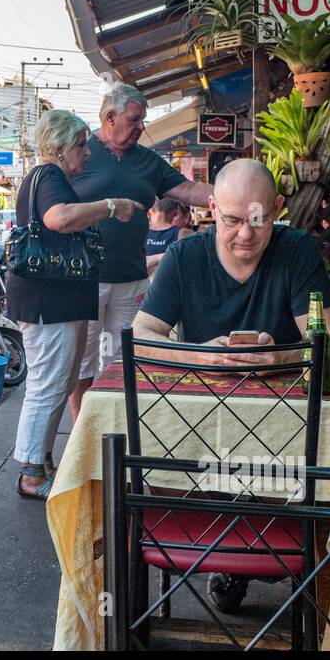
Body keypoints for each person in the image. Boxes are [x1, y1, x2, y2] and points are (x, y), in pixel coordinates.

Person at [7, 109, 141, 498]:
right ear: (61, 147)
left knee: (59, 380)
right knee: (49, 383)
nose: (86, 153)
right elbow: (59, 218)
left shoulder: (51, 177)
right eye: (81, 146)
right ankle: (32, 473)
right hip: (49, 302)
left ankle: (42, 461)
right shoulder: (49, 175)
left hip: (57, 302)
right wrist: (111, 205)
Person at [68, 84, 212, 419]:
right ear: (110, 117)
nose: (141, 126)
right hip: (84, 278)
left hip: (131, 277)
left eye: (143, 120)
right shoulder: (81, 152)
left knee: (124, 359)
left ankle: (116, 430)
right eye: (135, 119)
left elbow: (188, 189)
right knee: (84, 362)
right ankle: (82, 434)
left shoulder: (148, 161)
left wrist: (235, 193)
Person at [132, 159, 330, 368]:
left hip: (287, 393)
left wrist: (280, 358)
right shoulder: (183, 256)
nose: (246, 234)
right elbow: (137, 338)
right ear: (213, 208)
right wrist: (199, 356)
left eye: (258, 220)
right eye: (232, 220)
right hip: (200, 391)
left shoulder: (298, 250)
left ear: (277, 207)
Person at [145, 197, 195, 276]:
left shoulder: (139, 232)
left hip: (143, 286)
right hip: (170, 284)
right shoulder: (184, 234)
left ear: (149, 211)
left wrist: (156, 258)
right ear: (175, 212)